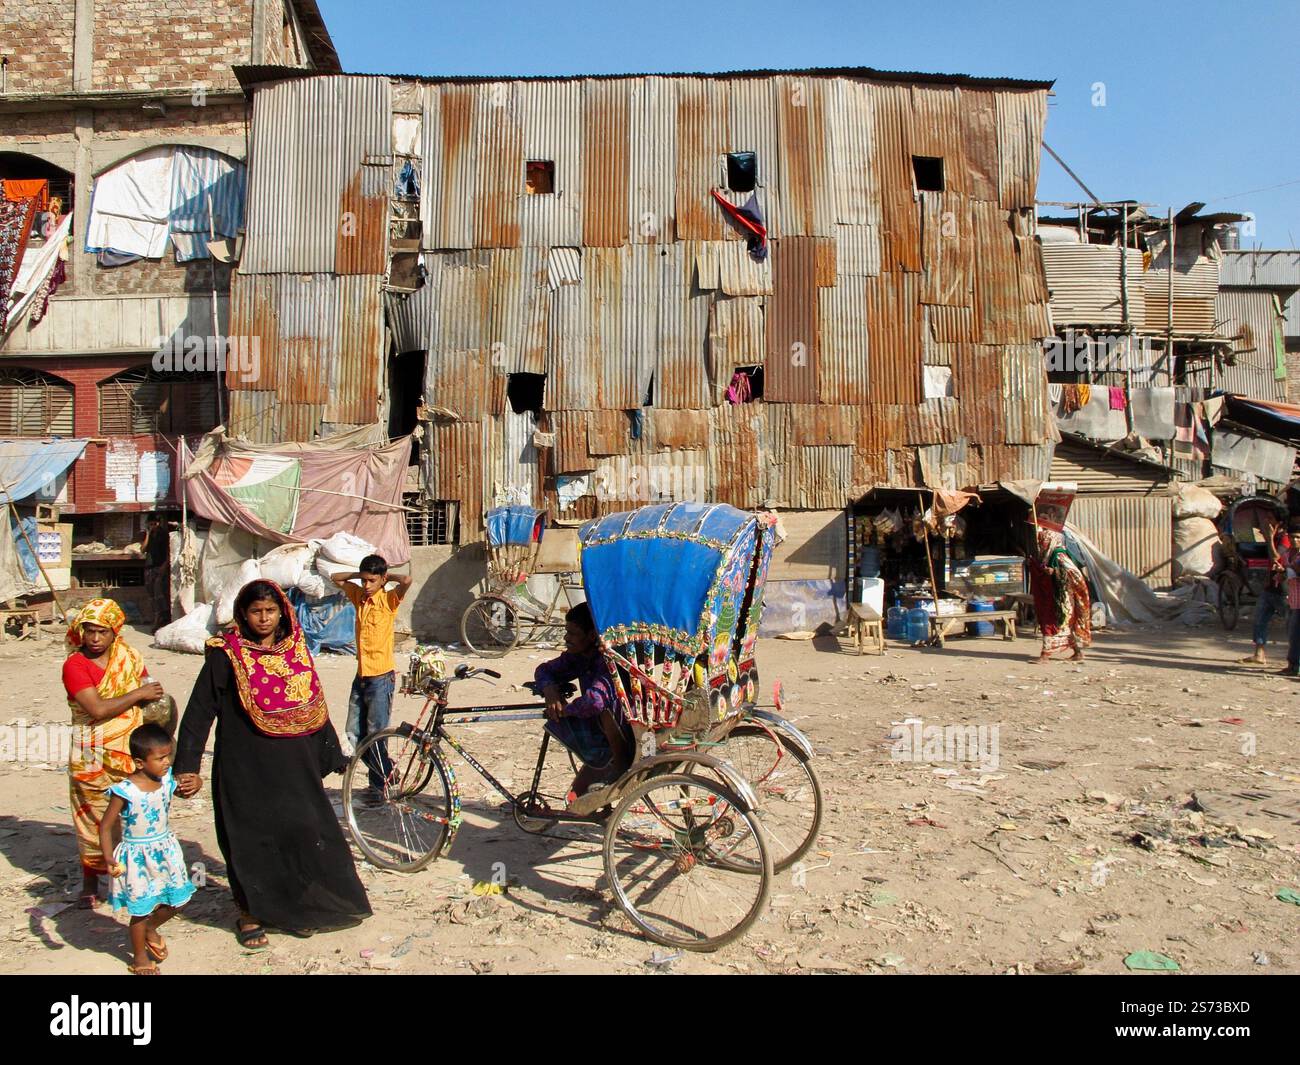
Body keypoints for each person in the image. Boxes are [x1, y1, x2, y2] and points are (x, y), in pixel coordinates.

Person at [174, 580, 371, 951]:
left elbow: (311, 703)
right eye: (255, 611)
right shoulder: (226, 653)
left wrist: (330, 754)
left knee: (300, 831)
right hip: (245, 763)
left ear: (282, 612)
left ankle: (296, 909)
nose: (263, 619)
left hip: (294, 763)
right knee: (250, 837)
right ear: (243, 614)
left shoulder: (295, 650)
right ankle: (249, 913)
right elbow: (201, 709)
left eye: (270, 611)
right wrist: (187, 765)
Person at [62, 598, 166, 908]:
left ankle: (133, 877)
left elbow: (151, 692)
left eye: (102, 632)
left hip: (129, 748)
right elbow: (96, 709)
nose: (95, 638)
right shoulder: (75, 665)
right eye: (89, 631)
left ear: (115, 632)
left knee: (133, 812)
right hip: (90, 750)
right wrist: (139, 693)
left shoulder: (129, 657)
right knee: (92, 814)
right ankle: (91, 881)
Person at [98, 723, 196, 975]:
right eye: (160, 758)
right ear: (140, 763)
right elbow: (106, 826)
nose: (167, 762)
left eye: (168, 756)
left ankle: (151, 928)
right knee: (140, 911)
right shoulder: (126, 791)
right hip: (136, 858)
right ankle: (140, 958)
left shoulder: (167, 780)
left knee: (179, 899)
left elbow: (184, 789)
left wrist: (193, 782)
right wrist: (108, 857)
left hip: (166, 850)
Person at [329, 554, 412, 799]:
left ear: (382, 580)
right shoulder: (359, 597)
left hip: (381, 678)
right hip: (362, 676)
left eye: (371, 581)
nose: (366, 586)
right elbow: (335, 577)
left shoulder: (388, 600)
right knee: (354, 733)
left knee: (376, 735)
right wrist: (360, 575)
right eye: (364, 581)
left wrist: (385, 578)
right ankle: (387, 770)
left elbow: (406, 580)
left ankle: (378, 786)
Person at [534, 602, 632, 801]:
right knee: (575, 801)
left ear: (591, 636)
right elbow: (544, 670)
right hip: (600, 734)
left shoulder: (608, 660)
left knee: (601, 711)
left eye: (573, 633)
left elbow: (595, 701)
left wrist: (567, 710)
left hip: (624, 733)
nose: (566, 638)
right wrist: (550, 689)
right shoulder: (577, 657)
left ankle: (618, 766)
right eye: (566, 632)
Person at [1029, 528, 1092, 664]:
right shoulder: (1045, 555)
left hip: (1062, 598)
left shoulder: (1059, 554)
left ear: (1051, 541)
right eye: (1041, 541)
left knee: (1051, 623)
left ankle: (1045, 655)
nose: (1041, 544)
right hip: (1051, 596)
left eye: (1044, 541)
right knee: (1063, 625)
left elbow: (1074, 573)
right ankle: (1077, 652)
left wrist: (1055, 571)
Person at [1240, 518, 1290, 666]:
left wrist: (1269, 538)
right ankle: (1259, 654)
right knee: (1260, 620)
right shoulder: (1276, 538)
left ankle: (1294, 660)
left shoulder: (1286, 539)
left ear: (1278, 524)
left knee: (1291, 624)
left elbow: (1276, 558)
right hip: (1270, 587)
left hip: (1282, 588)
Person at [141, 515, 176, 633]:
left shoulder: (164, 535)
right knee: (151, 594)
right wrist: (147, 534)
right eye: (150, 524)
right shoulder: (149, 535)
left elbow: (168, 553)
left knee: (159, 594)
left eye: (154, 524)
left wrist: (164, 567)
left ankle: (159, 620)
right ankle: (157, 619)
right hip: (149, 567)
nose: (152, 526)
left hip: (159, 567)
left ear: (158, 523)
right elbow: (142, 549)